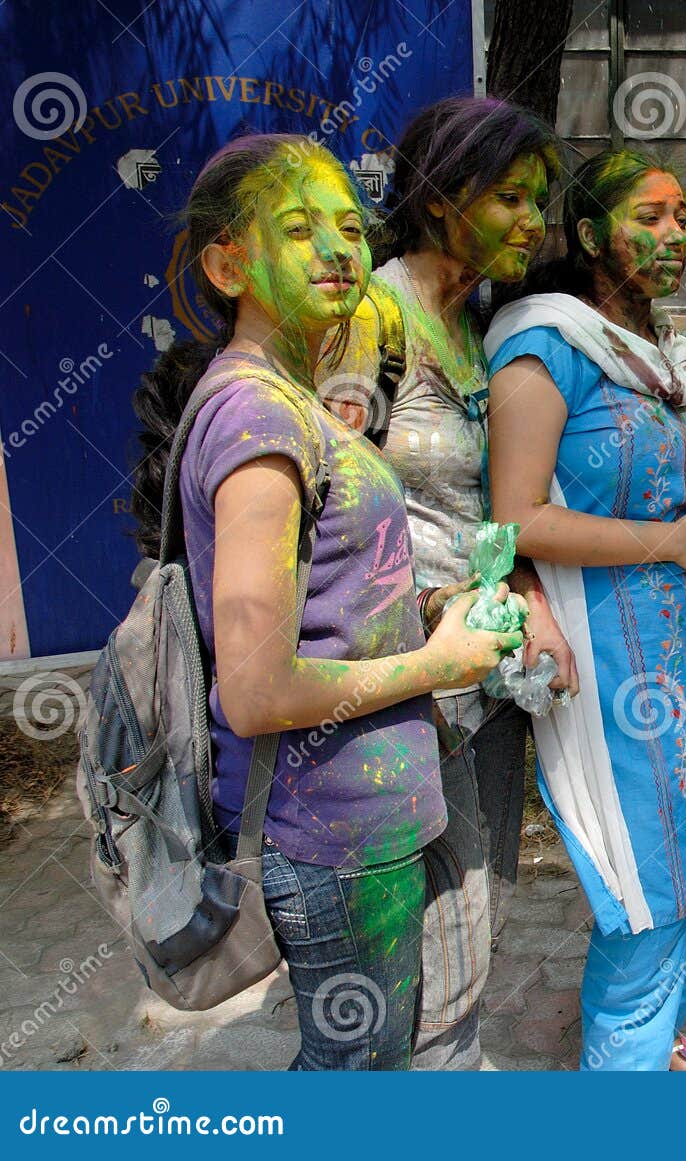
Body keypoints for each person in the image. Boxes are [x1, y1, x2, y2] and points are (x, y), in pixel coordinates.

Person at [129, 135, 522, 1070]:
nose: (339, 251)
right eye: (299, 230)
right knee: (355, 1074)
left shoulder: (297, 402)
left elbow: (326, 601)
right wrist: (442, 664)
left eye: (350, 226)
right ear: (228, 264)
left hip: (372, 811)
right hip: (333, 827)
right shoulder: (260, 418)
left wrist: (429, 606)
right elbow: (256, 691)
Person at [484, 148, 686, 1070]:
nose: (673, 236)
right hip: (608, 661)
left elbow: (664, 491)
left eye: (681, 220)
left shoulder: (658, 359)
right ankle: (621, 1067)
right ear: (588, 235)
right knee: (645, 877)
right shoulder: (543, 346)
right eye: (648, 218)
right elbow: (517, 519)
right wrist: (673, 543)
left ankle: (651, 1041)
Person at [315, 96, 571, 1069]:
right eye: (508, 198)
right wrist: (426, 617)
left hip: (485, 684)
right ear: (438, 195)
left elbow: (493, 506)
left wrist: (526, 603)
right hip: (403, 694)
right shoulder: (370, 319)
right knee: (414, 963)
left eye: (538, 203)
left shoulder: (481, 320)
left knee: (472, 928)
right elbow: (320, 517)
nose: (529, 224)